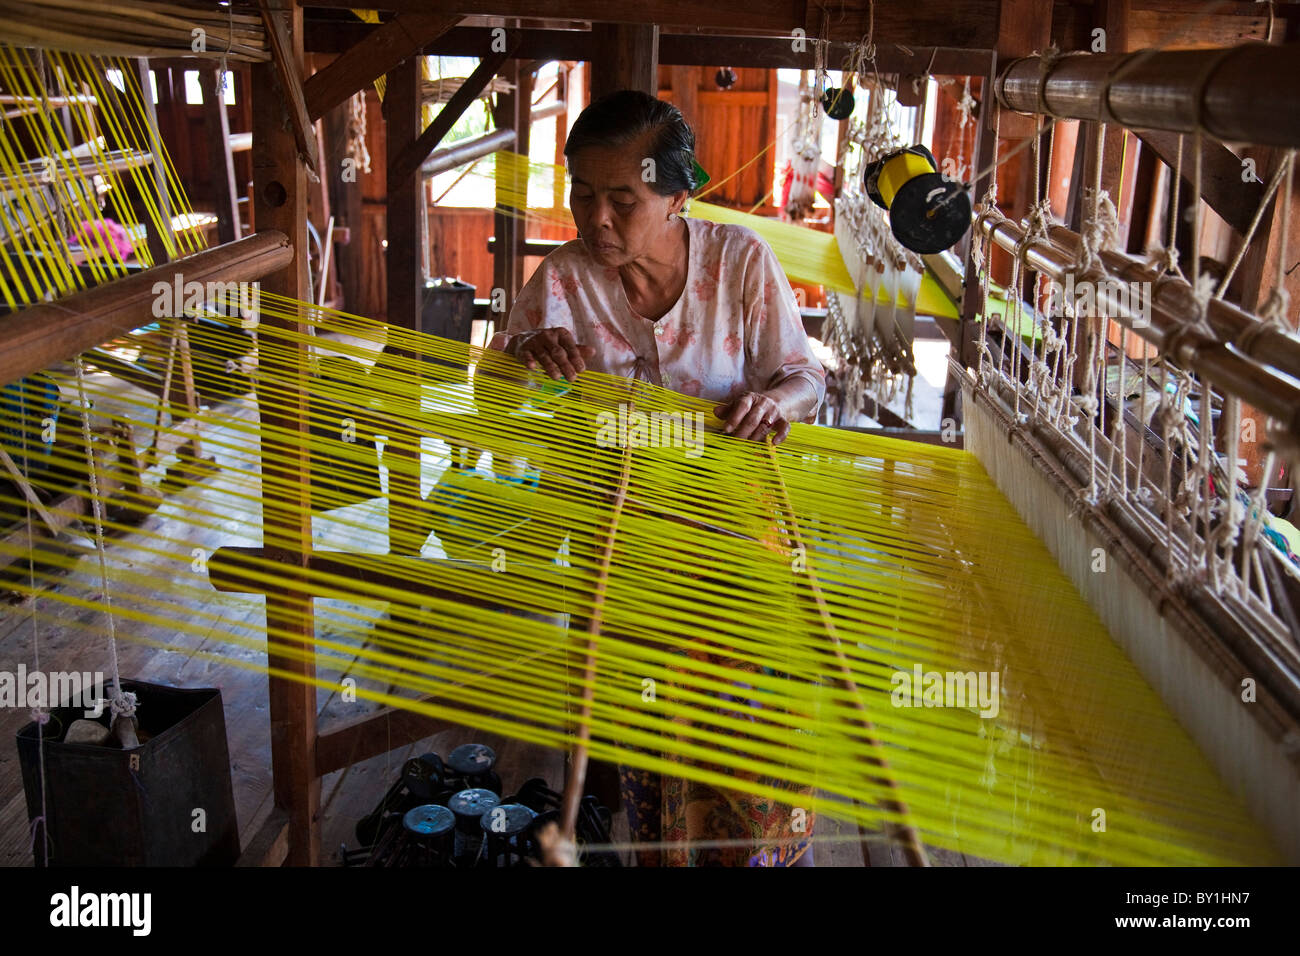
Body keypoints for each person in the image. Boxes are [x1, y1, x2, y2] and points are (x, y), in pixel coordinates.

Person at [488, 90, 826, 866]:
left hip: (738, 550)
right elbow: (490, 397)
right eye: (581, 194)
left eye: (622, 199)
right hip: (623, 552)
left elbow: (806, 377)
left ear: (679, 195)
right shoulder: (564, 281)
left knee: (749, 749)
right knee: (645, 753)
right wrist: (521, 359)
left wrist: (777, 400)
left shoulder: (741, 264)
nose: (594, 218)